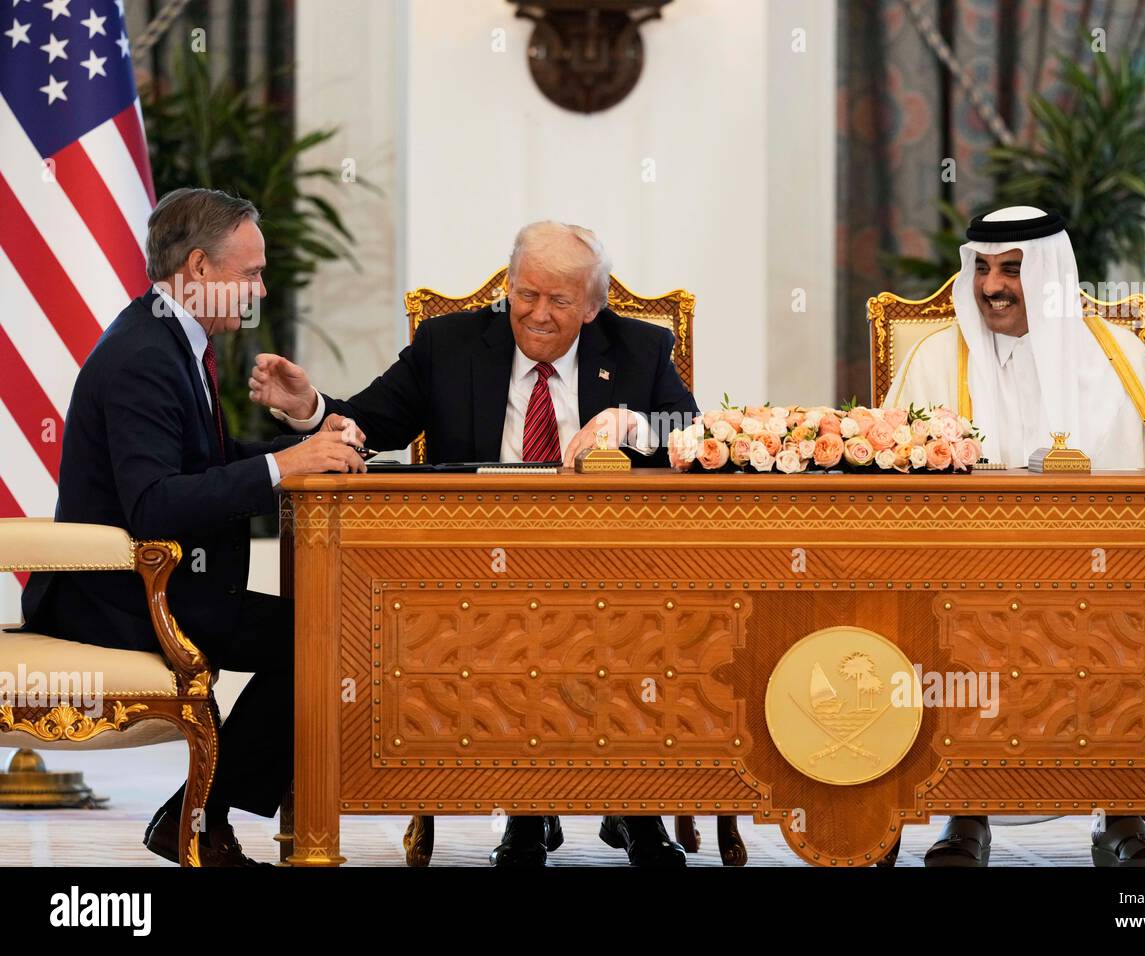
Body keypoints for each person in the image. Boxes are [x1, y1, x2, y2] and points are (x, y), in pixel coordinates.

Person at [248, 220, 699, 866]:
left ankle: (634, 807)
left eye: (560, 301)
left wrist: (632, 423)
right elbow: (369, 424)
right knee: (517, 622)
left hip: (610, 561)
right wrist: (310, 407)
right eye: (525, 294)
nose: (537, 316)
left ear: (594, 306)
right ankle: (524, 810)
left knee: (625, 621)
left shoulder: (640, 349)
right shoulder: (450, 344)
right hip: (478, 564)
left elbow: (696, 434)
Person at [20, 187, 365, 866]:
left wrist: (299, 454)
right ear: (200, 270)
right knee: (323, 640)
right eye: (251, 274)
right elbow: (155, 504)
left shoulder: (169, 336)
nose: (259, 290)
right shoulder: (145, 355)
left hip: (167, 587)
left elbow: (200, 465)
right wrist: (287, 464)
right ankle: (198, 817)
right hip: (119, 599)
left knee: (324, 631)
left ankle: (197, 814)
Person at [886, 205, 1145, 867]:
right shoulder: (936, 359)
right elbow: (892, 496)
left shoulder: (1119, 362)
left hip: (1102, 580)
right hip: (967, 578)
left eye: (1012, 270)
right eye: (983, 268)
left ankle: (1124, 816)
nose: (992, 285)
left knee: (1136, 619)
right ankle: (962, 813)